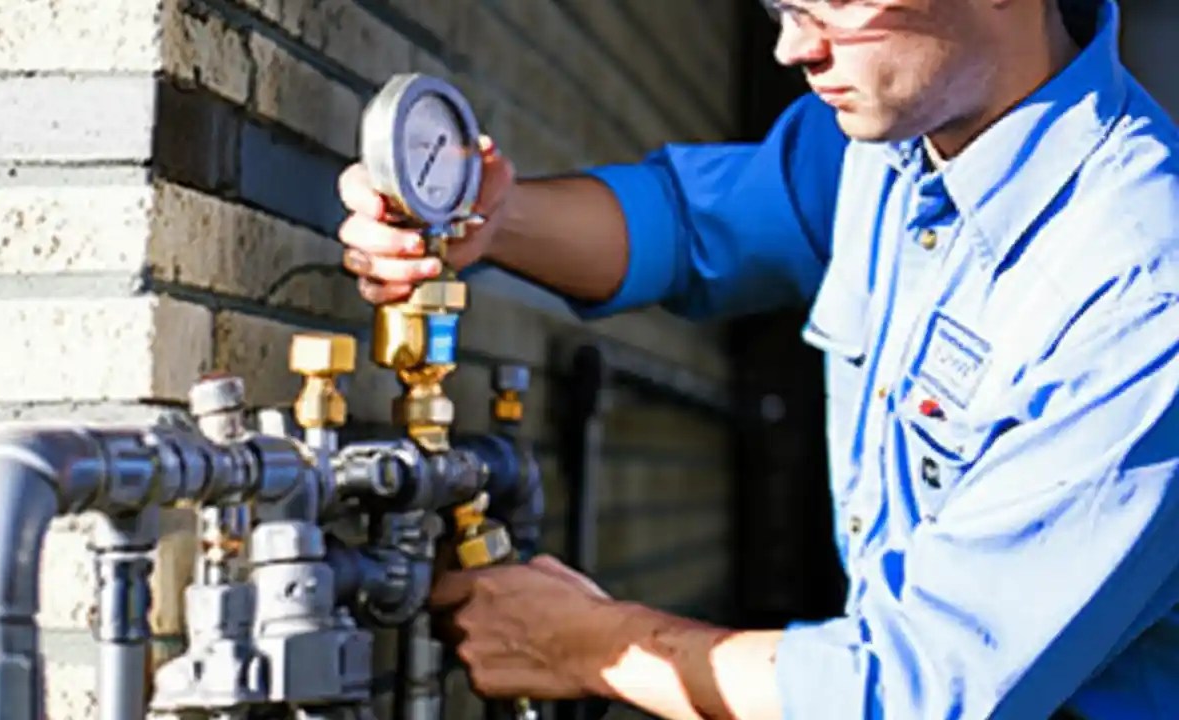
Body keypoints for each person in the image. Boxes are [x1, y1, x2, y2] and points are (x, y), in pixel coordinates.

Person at [336, 0, 1179, 717]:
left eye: (835, 4)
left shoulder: (1141, 290)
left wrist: (585, 643)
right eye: (781, 5)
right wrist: (486, 214)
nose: (793, 47)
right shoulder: (889, 140)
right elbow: (690, 225)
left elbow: (919, 693)